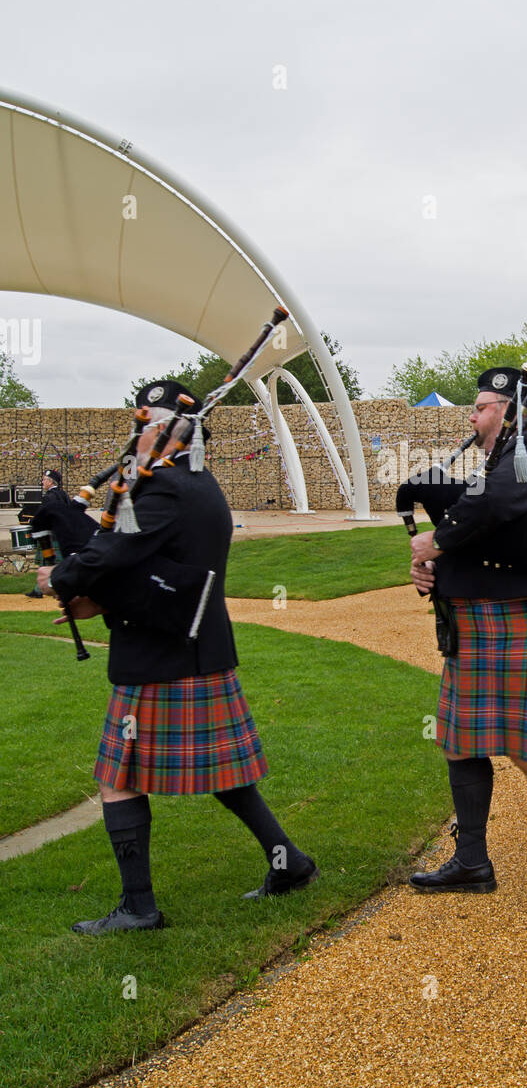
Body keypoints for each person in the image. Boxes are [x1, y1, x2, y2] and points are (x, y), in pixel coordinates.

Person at [37, 381, 317, 935]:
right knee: (228, 776)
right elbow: (149, 566)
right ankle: (291, 864)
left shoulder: (163, 489)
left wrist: (62, 578)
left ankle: (138, 906)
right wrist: (97, 596)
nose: (138, 435)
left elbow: (114, 550)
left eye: (148, 425)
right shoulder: (196, 481)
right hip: (194, 646)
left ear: (176, 432)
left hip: (162, 653)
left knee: (118, 777)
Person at [407, 366, 527, 896]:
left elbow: (493, 506)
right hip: (475, 620)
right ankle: (471, 861)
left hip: (518, 618)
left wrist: (437, 541)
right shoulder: (489, 465)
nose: (471, 415)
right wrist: (432, 571)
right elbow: (485, 533)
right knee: (460, 743)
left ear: (508, 410)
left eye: (482, 406)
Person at [24, 469, 95, 597]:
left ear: (51, 482)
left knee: (48, 562)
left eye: (44, 479)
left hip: (51, 533)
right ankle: (38, 590)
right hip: (63, 533)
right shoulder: (63, 494)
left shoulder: (49, 496)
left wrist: (34, 521)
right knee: (58, 562)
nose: (42, 482)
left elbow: (46, 515)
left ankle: (48, 589)